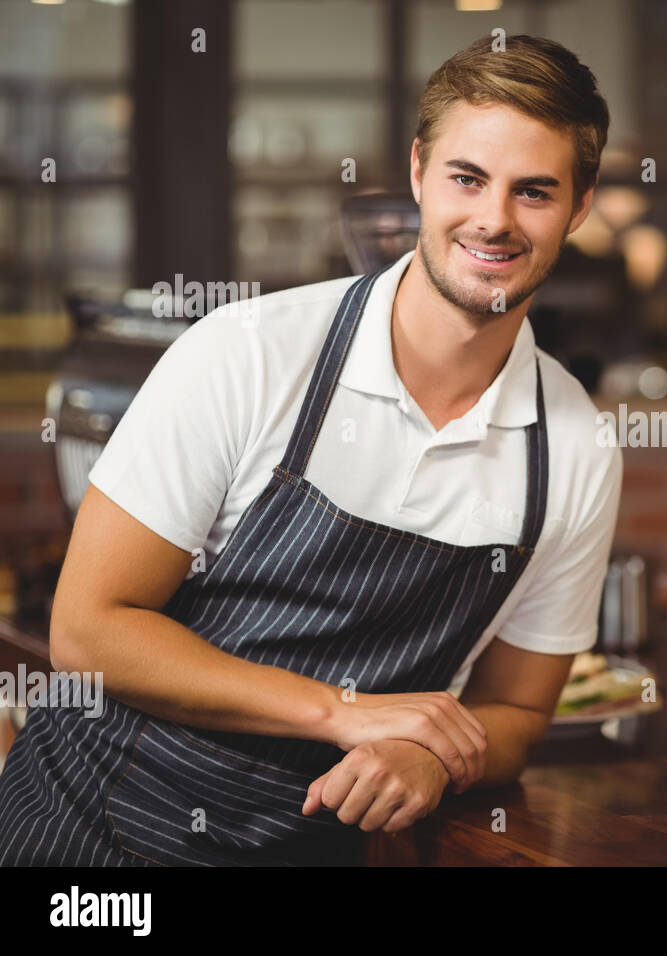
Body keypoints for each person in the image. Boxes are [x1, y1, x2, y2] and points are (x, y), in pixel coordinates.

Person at [0, 33, 621, 866]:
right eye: (466, 178)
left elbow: (518, 714)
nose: (494, 219)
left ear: (580, 208)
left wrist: (433, 752)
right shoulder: (250, 354)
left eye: (535, 192)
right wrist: (344, 711)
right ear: (416, 174)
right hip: (93, 831)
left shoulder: (576, 447)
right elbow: (88, 630)